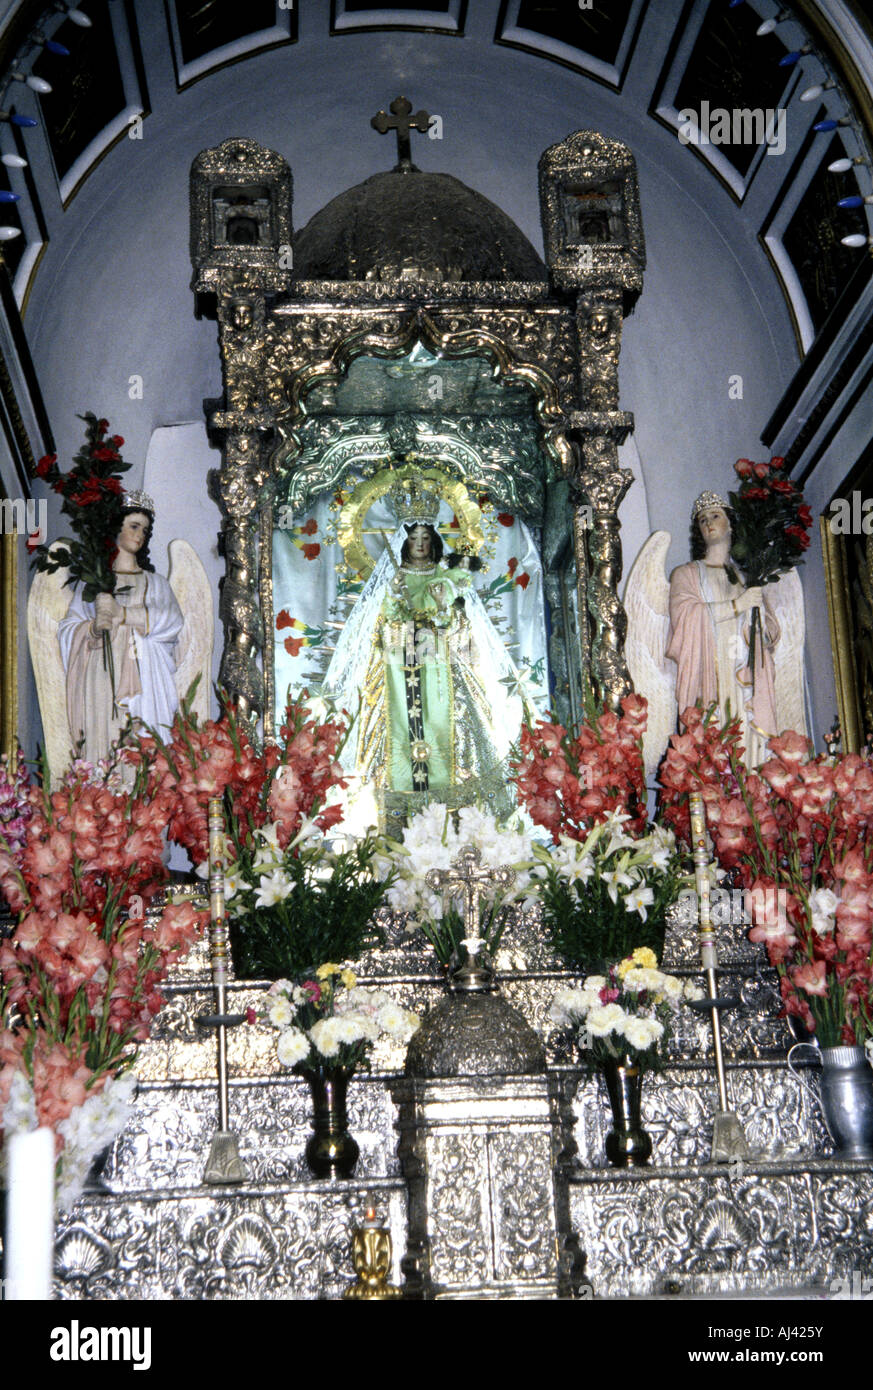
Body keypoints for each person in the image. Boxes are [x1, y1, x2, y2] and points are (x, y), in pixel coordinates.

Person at [326, 518, 521, 824]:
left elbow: (461, 631)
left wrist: (443, 608)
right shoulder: (393, 581)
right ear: (404, 542)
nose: (419, 544)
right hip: (397, 674)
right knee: (397, 738)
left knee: (448, 735)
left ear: (434, 542)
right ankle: (390, 813)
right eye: (413, 537)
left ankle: (458, 816)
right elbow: (378, 635)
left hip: (441, 676)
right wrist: (394, 601)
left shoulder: (446, 577)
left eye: (425, 537)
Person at [58, 491, 184, 764]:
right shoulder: (93, 580)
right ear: (117, 528)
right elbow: (68, 628)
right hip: (101, 674)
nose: (140, 535)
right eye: (134, 526)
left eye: (145, 530)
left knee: (143, 735)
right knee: (105, 736)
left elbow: (172, 621)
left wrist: (123, 614)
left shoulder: (156, 583)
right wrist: (92, 629)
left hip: (146, 675)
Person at [666, 490, 779, 768]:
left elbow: (770, 635)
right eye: (702, 520)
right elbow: (684, 618)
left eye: (715, 516)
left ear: (731, 524)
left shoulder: (746, 576)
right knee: (715, 742)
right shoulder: (686, 574)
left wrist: (759, 618)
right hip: (710, 673)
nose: (708, 523)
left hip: (744, 674)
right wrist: (736, 605)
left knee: (748, 744)